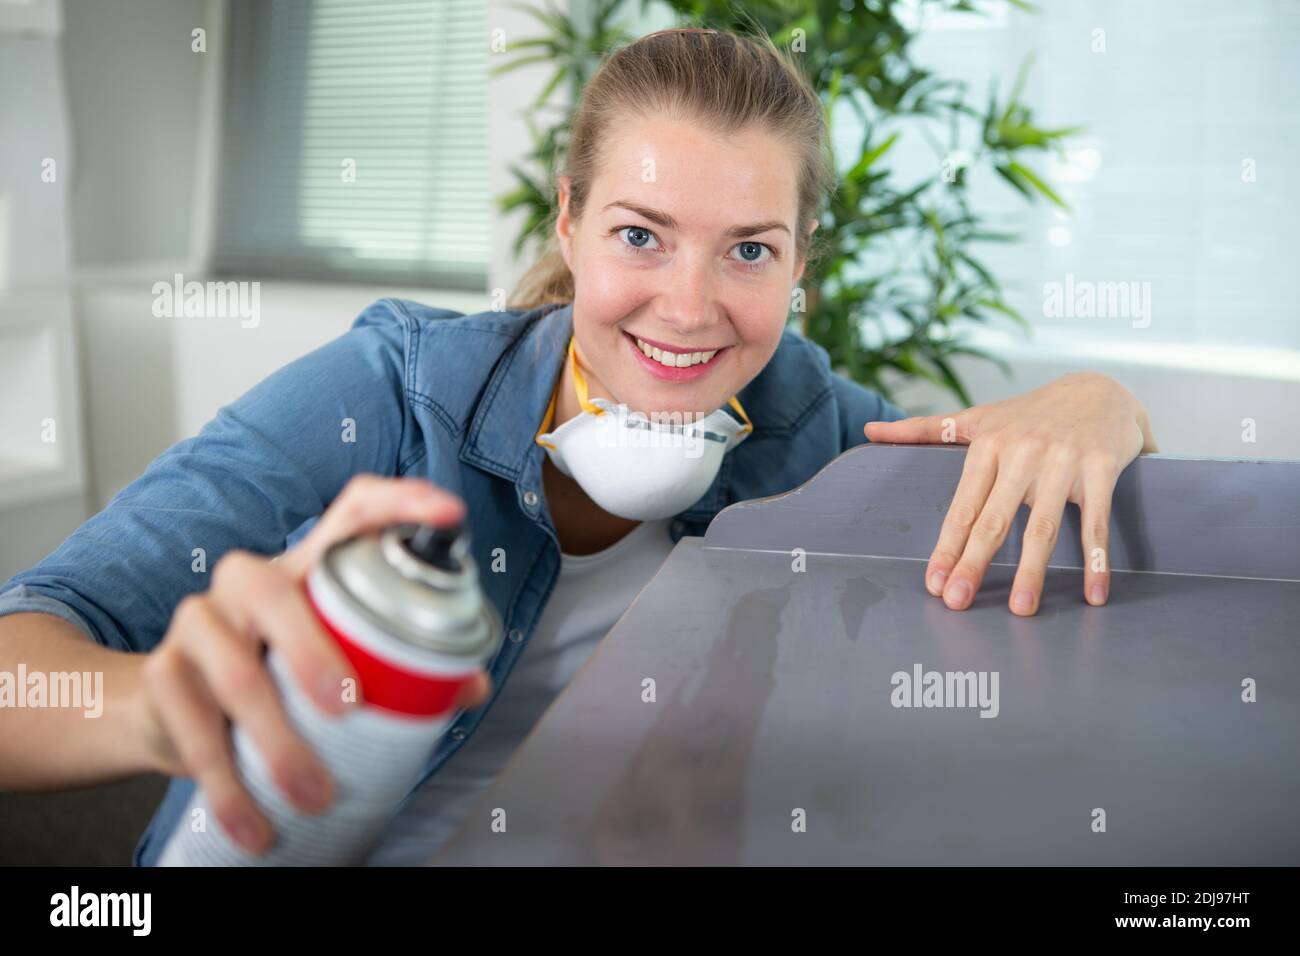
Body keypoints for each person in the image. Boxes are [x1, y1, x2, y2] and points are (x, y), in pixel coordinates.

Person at [0, 27, 1157, 866]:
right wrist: (157, 701)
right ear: (567, 220)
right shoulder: (392, 390)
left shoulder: (819, 431)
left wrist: (1100, 400)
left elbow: (1012, 473)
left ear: (802, 262)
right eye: (640, 235)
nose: (689, 306)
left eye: (749, 251)